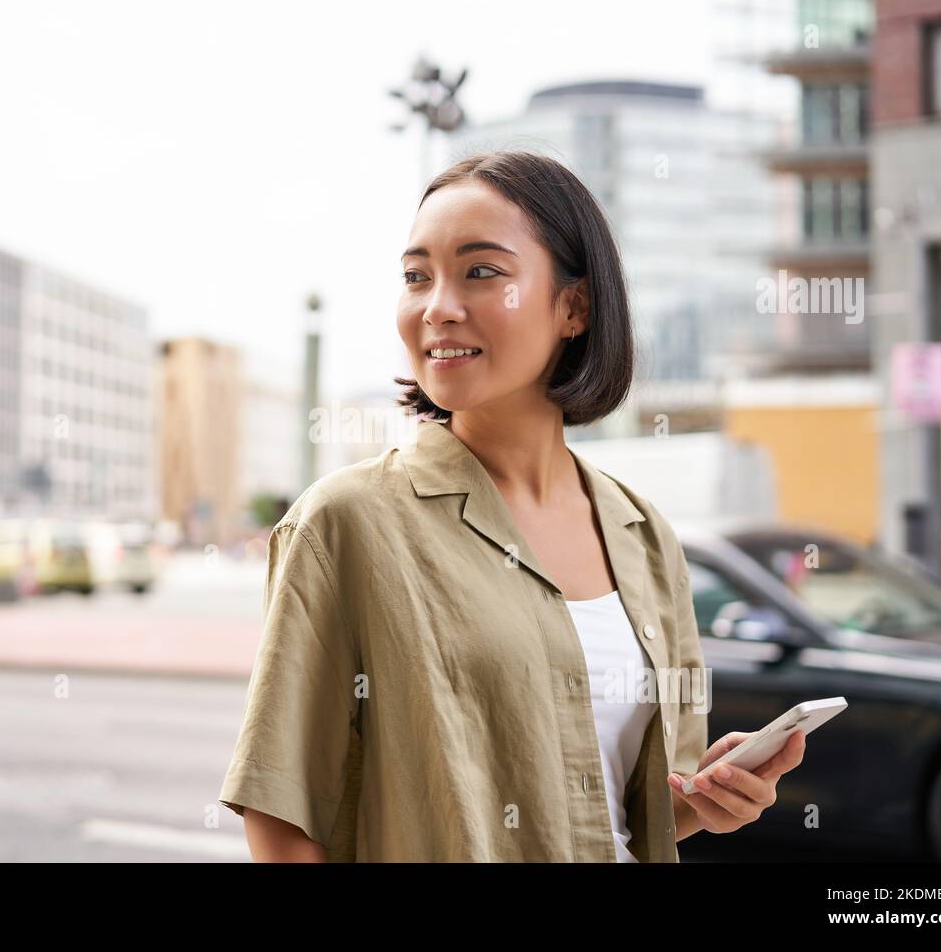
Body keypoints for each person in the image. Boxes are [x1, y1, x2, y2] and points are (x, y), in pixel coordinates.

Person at [218, 150, 805, 862]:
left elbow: (627, 811)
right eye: (415, 277)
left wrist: (707, 801)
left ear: (574, 307)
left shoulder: (644, 534)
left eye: (481, 271)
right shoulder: (346, 523)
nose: (437, 306)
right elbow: (283, 817)